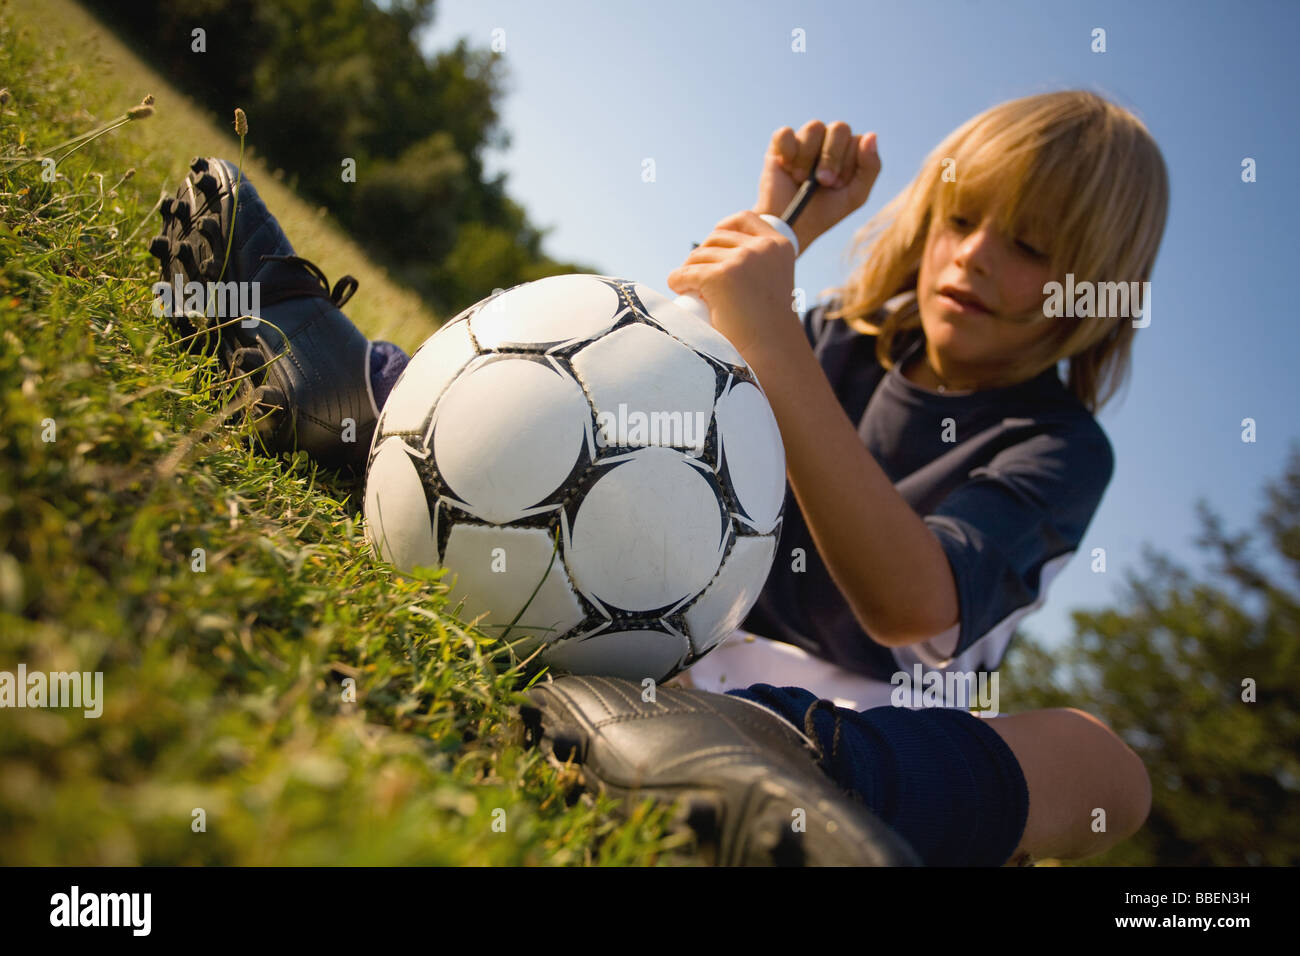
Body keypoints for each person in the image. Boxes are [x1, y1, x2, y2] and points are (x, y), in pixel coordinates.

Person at [148, 89, 1167, 867]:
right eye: (960, 218)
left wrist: (772, 332)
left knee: (1106, 769)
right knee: (565, 414)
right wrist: (776, 227)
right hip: (659, 609)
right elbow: (649, 359)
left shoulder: (1061, 443)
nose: (974, 257)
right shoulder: (838, 336)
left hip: (825, 708)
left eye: (1028, 247)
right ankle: (334, 387)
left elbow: (908, 603)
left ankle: (765, 770)